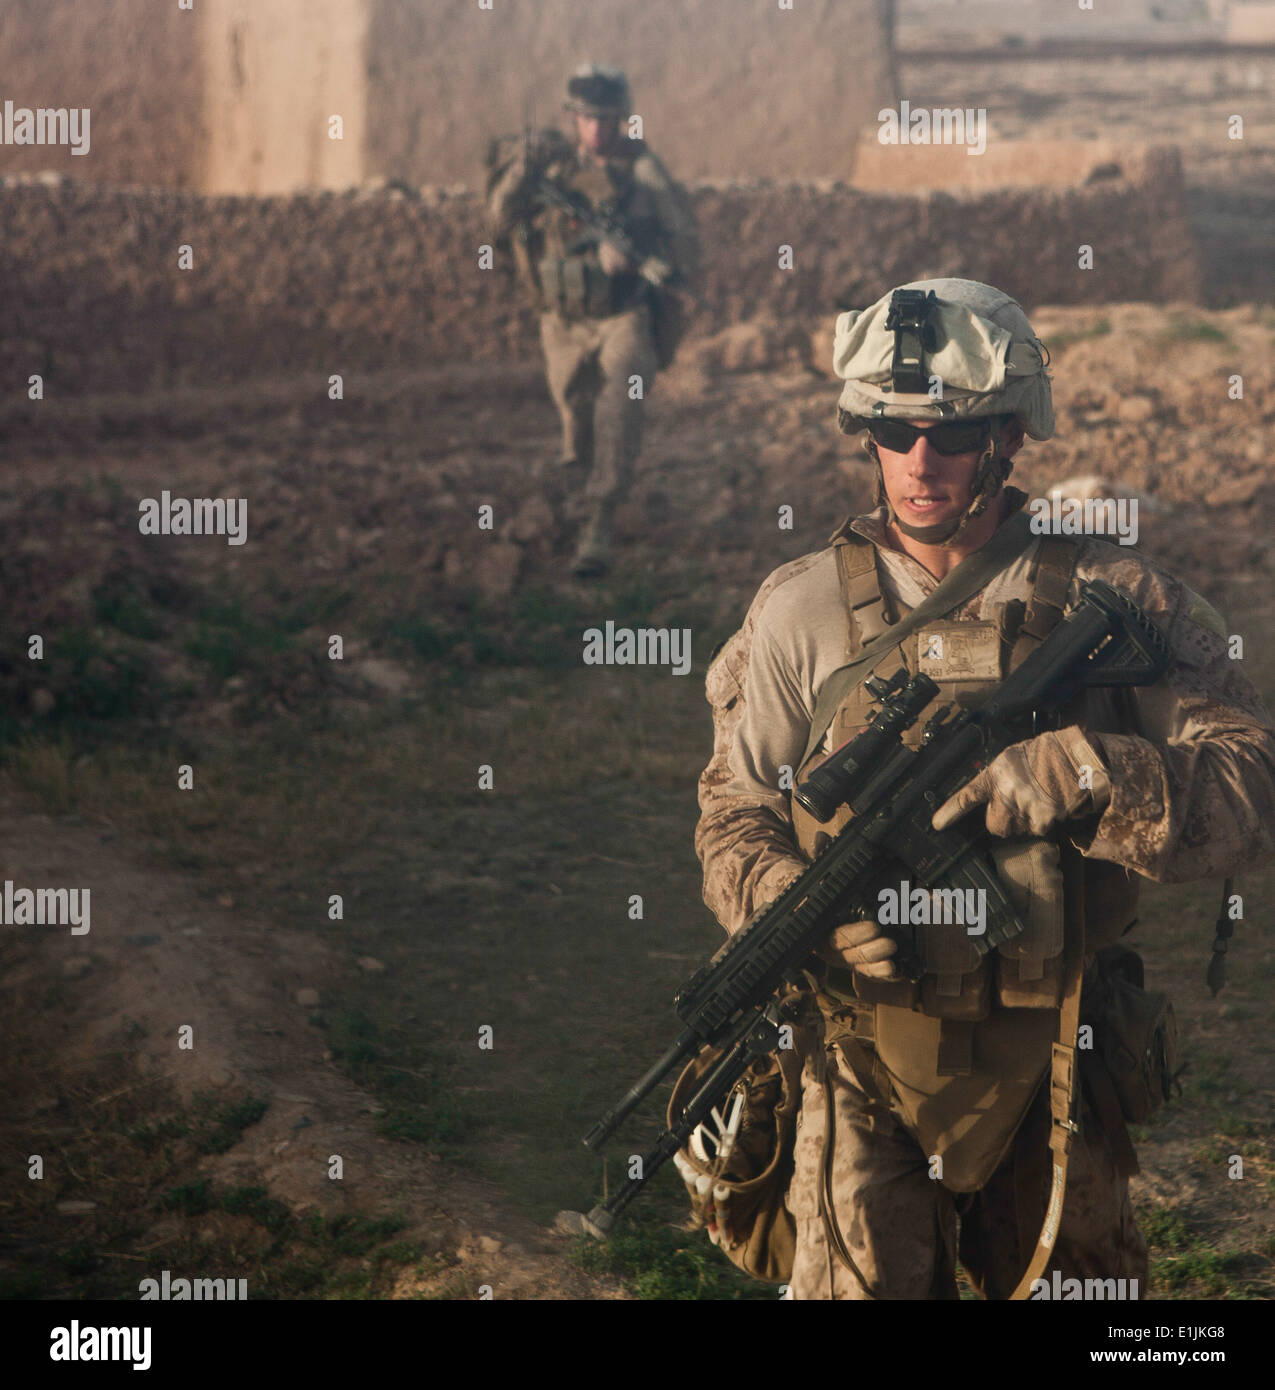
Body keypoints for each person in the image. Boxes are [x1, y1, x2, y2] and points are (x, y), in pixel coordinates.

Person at [694, 278, 1275, 1299]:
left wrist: (1091, 771)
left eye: (951, 433)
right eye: (892, 429)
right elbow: (734, 812)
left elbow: (1253, 784)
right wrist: (793, 907)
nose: (919, 463)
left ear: (1010, 437)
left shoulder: (1115, 600)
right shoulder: (798, 611)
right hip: (859, 1053)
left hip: (1058, 1054)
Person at [487, 63, 700, 579]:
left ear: (622, 119)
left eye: (607, 119)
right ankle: (573, 499)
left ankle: (599, 525)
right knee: (575, 419)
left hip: (621, 314)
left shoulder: (642, 174)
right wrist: (521, 171)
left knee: (619, 404)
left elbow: (683, 245)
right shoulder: (550, 170)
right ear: (573, 119)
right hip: (561, 321)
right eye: (587, 118)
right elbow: (498, 221)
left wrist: (637, 259)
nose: (597, 130)